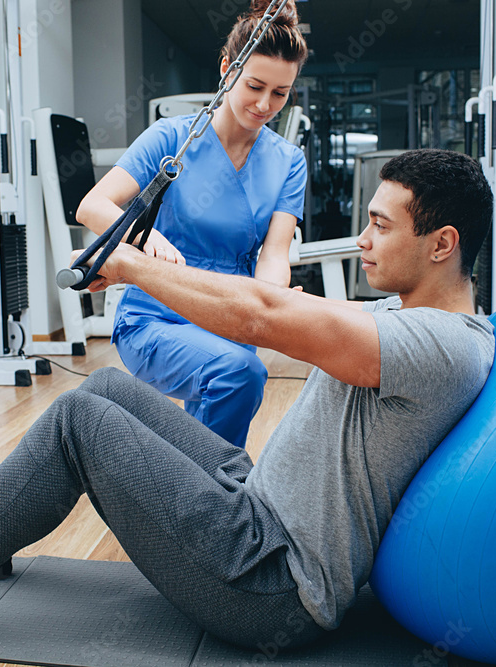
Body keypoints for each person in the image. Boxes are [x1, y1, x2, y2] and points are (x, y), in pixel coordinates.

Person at [0, 149, 496, 654]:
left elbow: (265, 318)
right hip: (257, 500)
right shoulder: (410, 318)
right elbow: (282, 303)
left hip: (271, 579)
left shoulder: (438, 345)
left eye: (381, 226)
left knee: (79, 419)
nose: (363, 239)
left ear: (442, 243)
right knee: (110, 387)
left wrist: (129, 265)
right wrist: (168, 270)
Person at [74, 0, 309, 448]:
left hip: (231, 312)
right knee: (238, 373)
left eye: (279, 94)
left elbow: (275, 253)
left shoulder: (288, 161)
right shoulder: (171, 139)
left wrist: (274, 299)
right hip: (157, 312)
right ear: (227, 69)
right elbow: (92, 206)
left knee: (227, 390)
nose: (264, 104)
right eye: (255, 86)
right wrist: (146, 236)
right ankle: (212, 501)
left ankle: (193, 499)